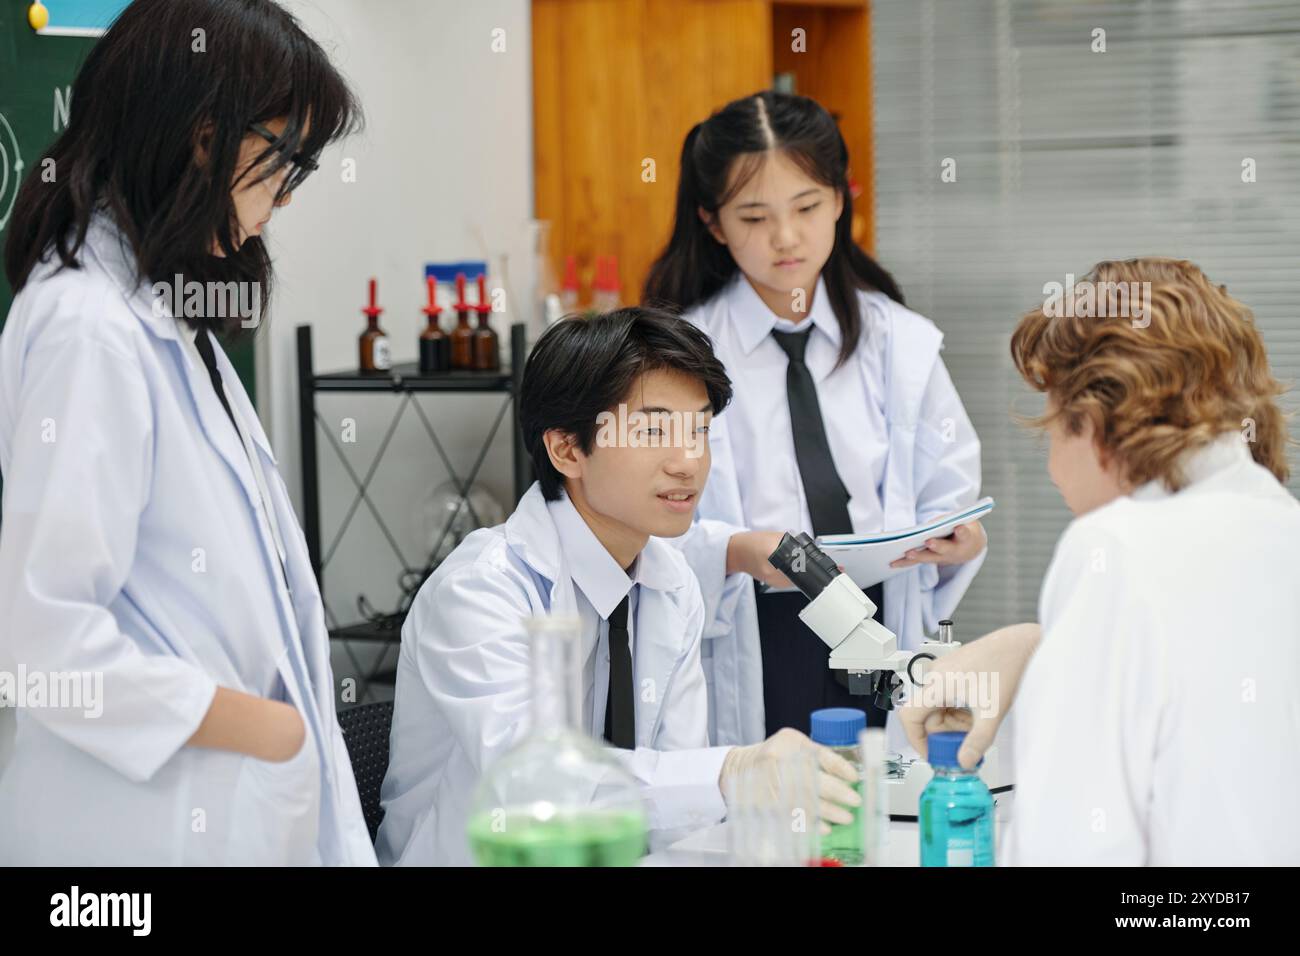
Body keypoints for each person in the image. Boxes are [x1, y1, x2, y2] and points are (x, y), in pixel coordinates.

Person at [0, 0, 374, 864]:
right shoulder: (90, 327)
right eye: (281, 161)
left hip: (222, 808)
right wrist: (265, 729)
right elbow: (43, 640)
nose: (282, 197)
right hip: (142, 827)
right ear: (204, 138)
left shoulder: (171, 313)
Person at [376, 308, 861, 866]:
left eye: (699, 430)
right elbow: (540, 790)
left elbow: (679, 807)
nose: (689, 462)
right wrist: (732, 773)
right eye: (653, 430)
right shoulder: (483, 592)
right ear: (566, 449)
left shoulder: (670, 582)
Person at [900, 258, 1300, 865]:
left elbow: (1071, 849)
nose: (1053, 465)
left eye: (1055, 427)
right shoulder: (1279, 527)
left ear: (1099, 419)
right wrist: (1043, 647)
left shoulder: (1115, 547)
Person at [644, 91, 986, 747]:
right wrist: (733, 550)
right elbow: (643, 525)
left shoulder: (899, 343)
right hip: (755, 627)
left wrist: (959, 542)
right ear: (713, 223)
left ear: (840, 200)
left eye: (806, 207)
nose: (786, 238)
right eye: (754, 216)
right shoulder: (677, 355)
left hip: (879, 622)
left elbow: (949, 497)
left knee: (880, 812)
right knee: (770, 819)